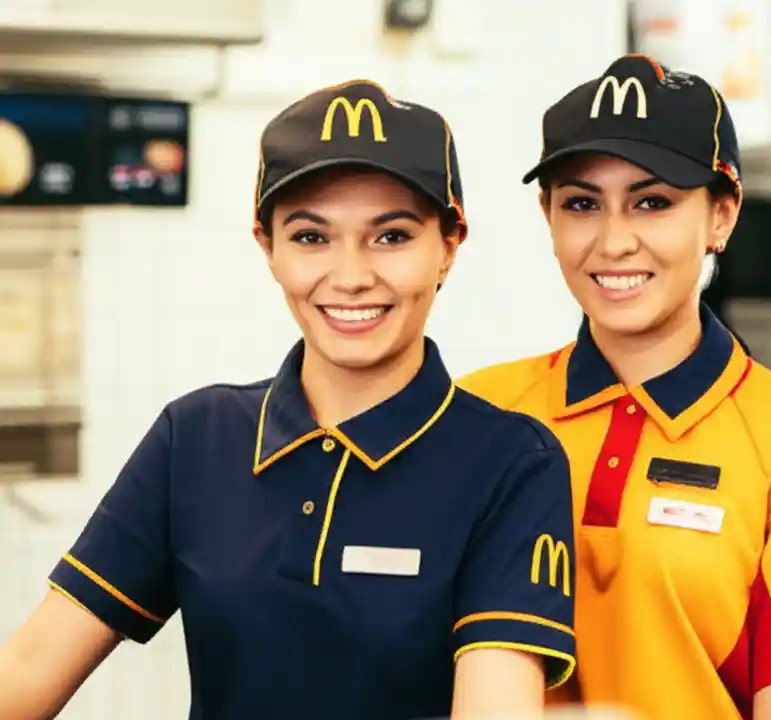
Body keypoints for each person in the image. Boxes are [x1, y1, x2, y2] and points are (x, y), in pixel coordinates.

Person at [0, 79, 576, 720]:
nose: (351, 277)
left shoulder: (510, 464)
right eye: (311, 237)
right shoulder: (196, 438)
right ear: (266, 245)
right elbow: (28, 669)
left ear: (449, 244)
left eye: (391, 236)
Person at [459, 54, 771, 720]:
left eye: (653, 203)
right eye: (583, 203)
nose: (614, 241)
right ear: (548, 216)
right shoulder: (480, 414)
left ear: (721, 217)